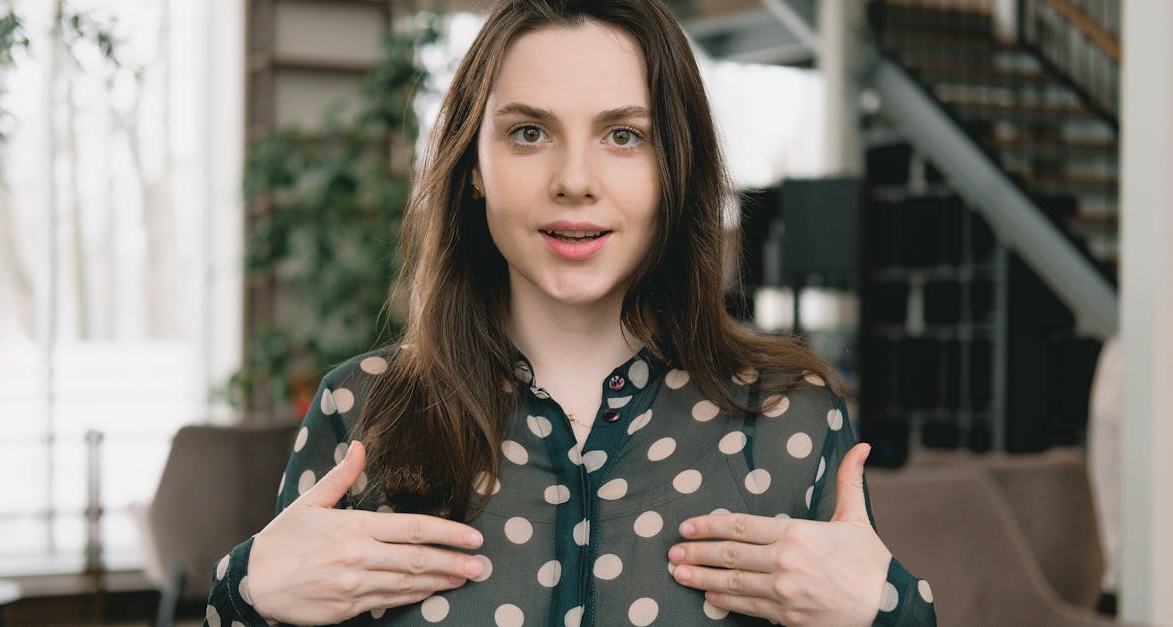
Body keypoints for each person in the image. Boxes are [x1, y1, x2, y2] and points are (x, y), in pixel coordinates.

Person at [205, 0, 937, 625]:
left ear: (675, 170)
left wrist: (891, 610)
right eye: (529, 132)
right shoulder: (360, 409)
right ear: (474, 170)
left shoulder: (789, 419)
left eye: (624, 135)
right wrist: (245, 591)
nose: (575, 180)